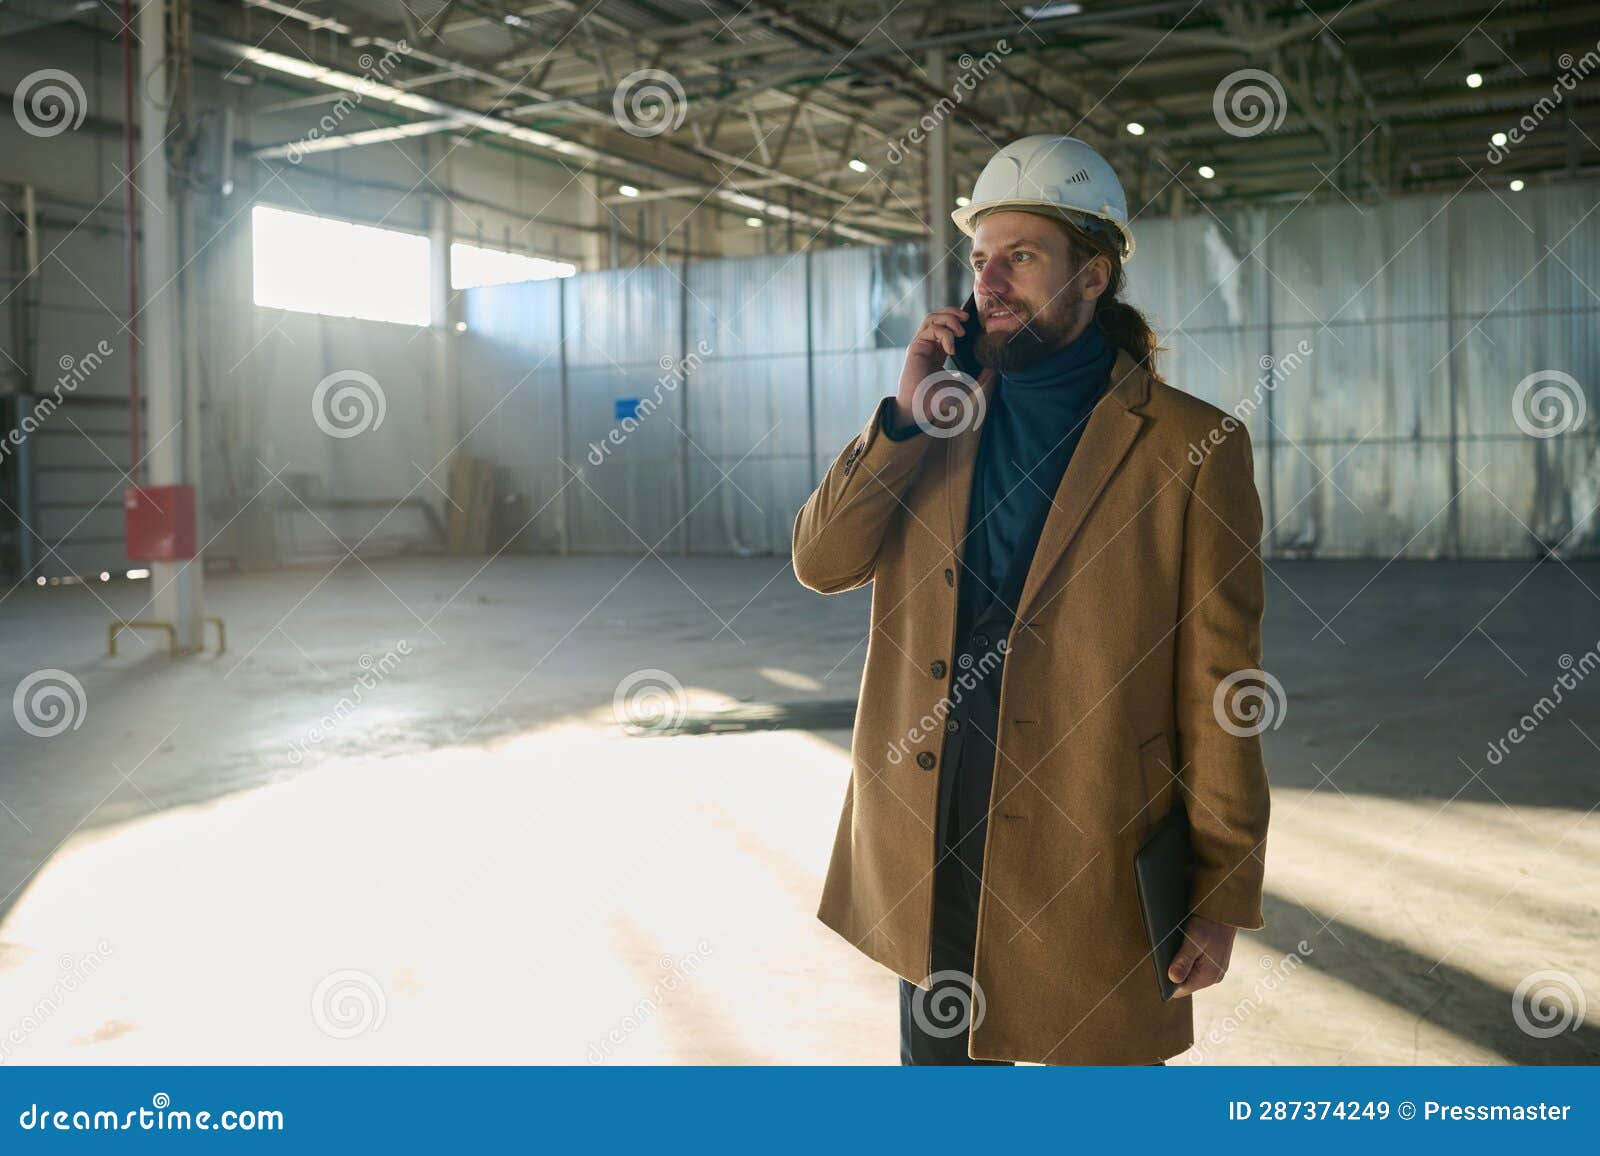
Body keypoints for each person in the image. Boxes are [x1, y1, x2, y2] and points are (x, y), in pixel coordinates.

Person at [792, 135, 1271, 1065]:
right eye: (981, 259)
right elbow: (822, 561)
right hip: (932, 810)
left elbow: (1222, 683)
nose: (990, 282)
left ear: (1093, 277)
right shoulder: (941, 411)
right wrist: (903, 420)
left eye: (1021, 257)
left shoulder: (1191, 446)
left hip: (1088, 825)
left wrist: (1219, 890)